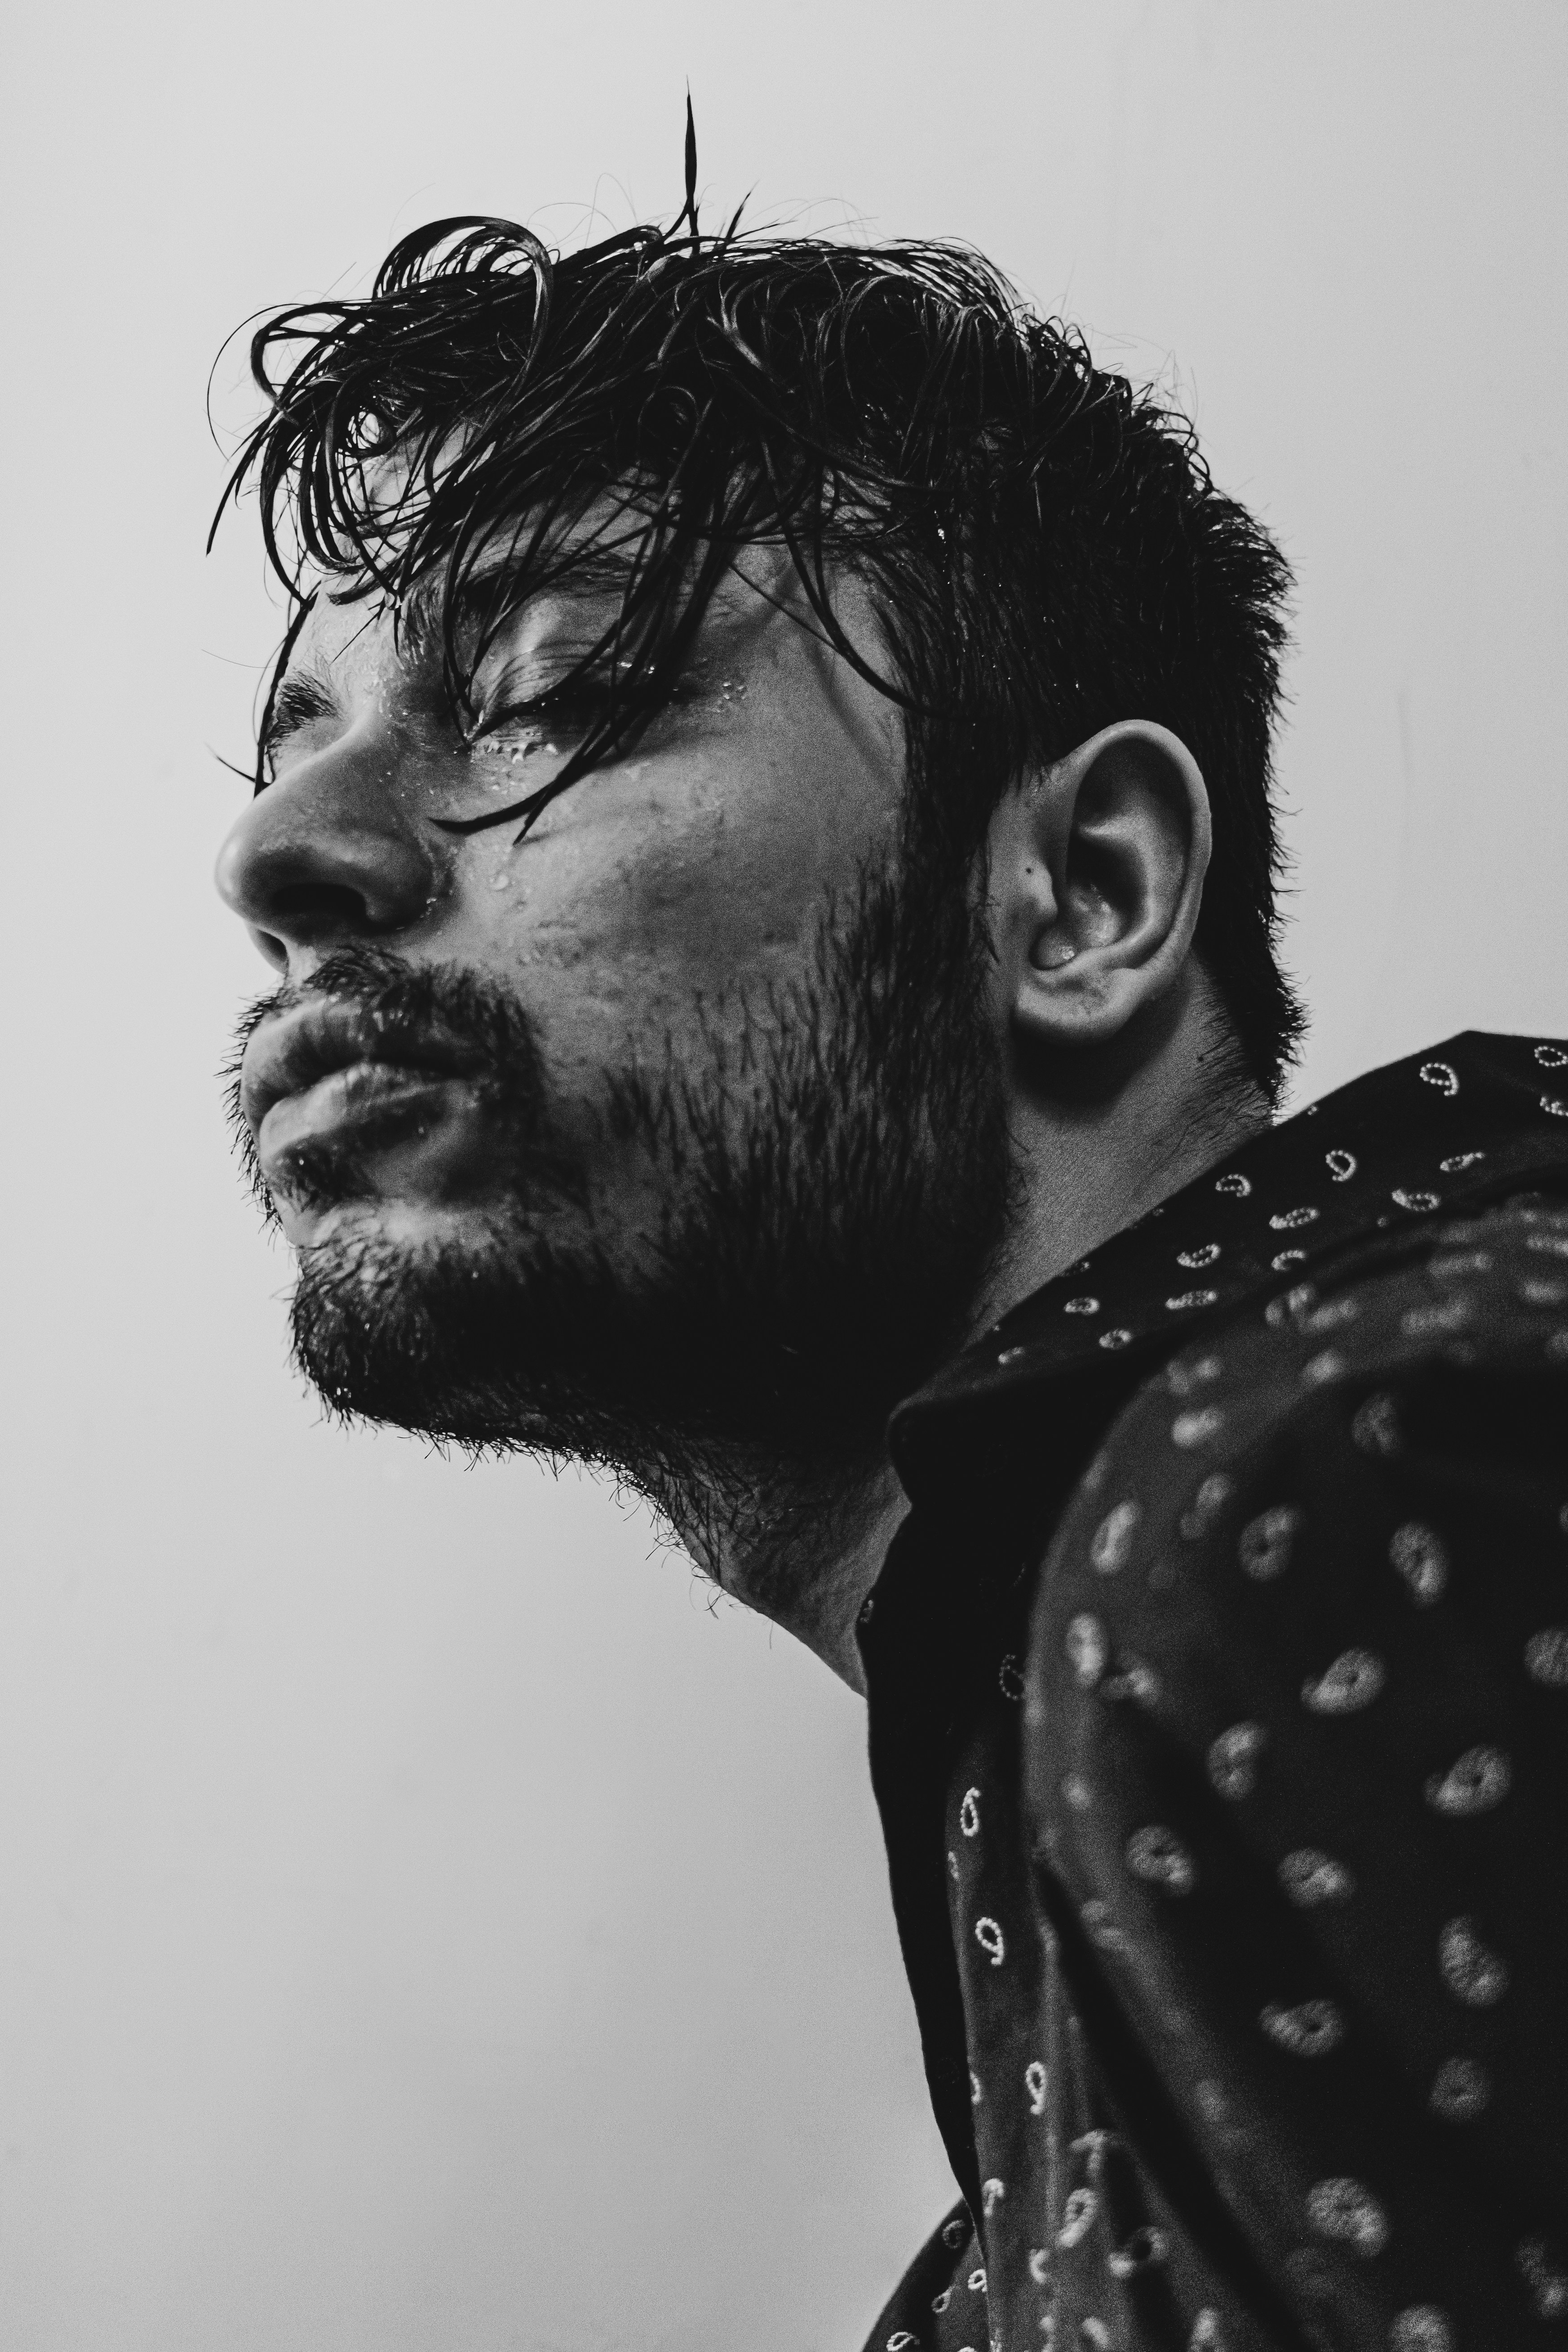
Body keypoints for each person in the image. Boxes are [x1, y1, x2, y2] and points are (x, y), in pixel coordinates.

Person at [212, 171, 1568, 2351]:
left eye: (562, 686)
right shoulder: (1032, 2181)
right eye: (293, 753)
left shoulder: (1338, 1487)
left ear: (1085, 894)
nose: (280, 860)